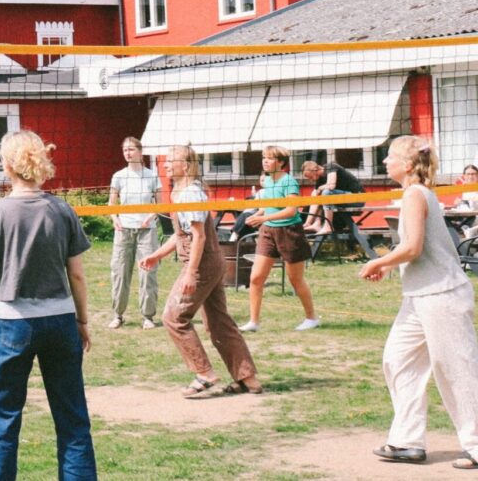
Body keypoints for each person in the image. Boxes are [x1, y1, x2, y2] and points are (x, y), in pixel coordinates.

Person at [0, 130, 96, 480]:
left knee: (3, 423)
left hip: (14, 324)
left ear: (7, 165)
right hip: (60, 321)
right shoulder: (62, 209)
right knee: (73, 420)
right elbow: (77, 276)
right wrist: (82, 321)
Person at [359, 136, 478, 469]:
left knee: (458, 372)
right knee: (397, 361)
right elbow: (415, 250)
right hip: (420, 296)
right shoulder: (414, 194)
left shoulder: (415, 194)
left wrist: (378, 262)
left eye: (390, 157)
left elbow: (412, 247)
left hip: (442, 294)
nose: (385, 162)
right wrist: (392, 265)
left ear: (408, 165)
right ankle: (407, 441)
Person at [139, 145, 262, 398]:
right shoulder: (180, 192)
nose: (166, 165)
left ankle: (204, 373)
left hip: (202, 262)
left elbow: (199, 236)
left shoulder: (190, 194)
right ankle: (248, 379)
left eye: (171, 161)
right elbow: (181, 234)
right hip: (211, 261)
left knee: (173, 317)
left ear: (186, 165)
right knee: (218, 322)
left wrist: (191, 273)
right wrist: (157, 255)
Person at [238, 146, 320, 333]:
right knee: (256, 277)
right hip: (268, 232)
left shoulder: (289, 182)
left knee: (295, 280)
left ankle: (311, 318)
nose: (265, 161)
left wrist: (263, 218)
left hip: (289, 232)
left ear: (281, 162)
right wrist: (257, 214)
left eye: (269, 158)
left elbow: (291, 210)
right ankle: (254, 322)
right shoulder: (267, 180)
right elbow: (270, 206)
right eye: (263, 158)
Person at [106, 136, 161, 330]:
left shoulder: (152, 176)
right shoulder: (119, 176)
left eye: (131, 149)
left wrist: (151, 217)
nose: (127, 153)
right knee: (120, 272)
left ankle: (148, 316)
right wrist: (115, 219)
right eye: (125, 150)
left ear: (140, 151)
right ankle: (118, 315)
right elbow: (111, 204)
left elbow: (161, 204)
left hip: (147, 230)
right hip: (124, 230)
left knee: (148, 273)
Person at [301, 160, 366, 235]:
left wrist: (319, 189)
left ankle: (328, 226)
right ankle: (317, 223)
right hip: (344, 200)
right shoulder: (320, 180)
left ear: (315, 170)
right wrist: (307, 223)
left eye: (310, 177)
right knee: (317, 195)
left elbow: (331, 186)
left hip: (357, 198)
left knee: (326, 192)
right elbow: (315, 200)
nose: (311, 180)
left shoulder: (331, 167)